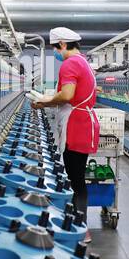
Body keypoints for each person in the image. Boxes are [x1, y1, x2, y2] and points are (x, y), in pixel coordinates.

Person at [33, 27, 99, 221]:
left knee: (75, 179)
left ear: (62, 44)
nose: (55, 52)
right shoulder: (83, 62)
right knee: (76, 177)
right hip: (82, 122)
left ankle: (79, 226)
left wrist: (45, 101)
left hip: (76, 125)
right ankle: (78, 222)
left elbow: (67, 95)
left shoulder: (70, 64)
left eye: (55, 48)